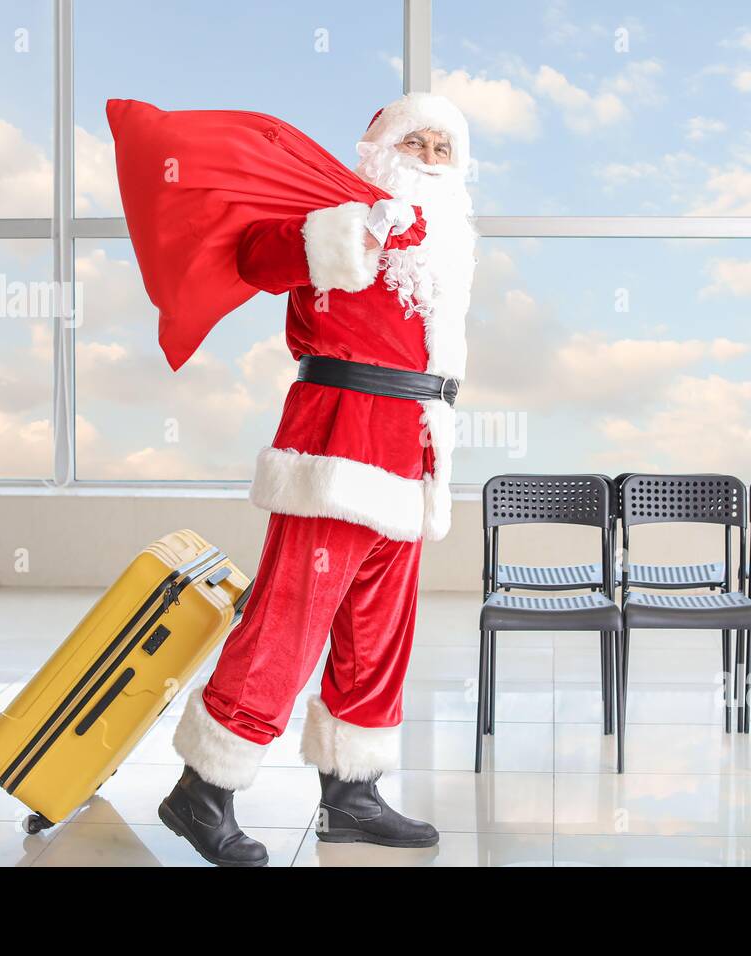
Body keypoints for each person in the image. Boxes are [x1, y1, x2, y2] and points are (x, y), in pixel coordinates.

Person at [157, 93, 477, 866]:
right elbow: (257, 258)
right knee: (290, 619)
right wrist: (355, 227)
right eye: (416, 141)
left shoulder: (446, 243)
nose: (429, 156)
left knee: (379, 631)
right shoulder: (337, 208)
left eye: (444, 147)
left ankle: (352, 793)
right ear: (379, 146)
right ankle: (204, 787)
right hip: (336, 442)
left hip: (412, 450)